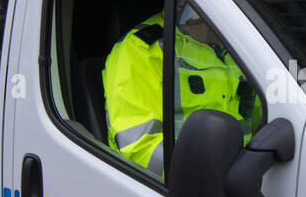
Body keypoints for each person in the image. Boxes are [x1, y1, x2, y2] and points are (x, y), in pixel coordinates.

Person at [102, 10, 260, 175]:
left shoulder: (238, 42)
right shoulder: (142, 49)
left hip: (247, 177)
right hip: (180, 189)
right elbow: (139, 149)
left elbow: (265, 118)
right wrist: (207, 176)